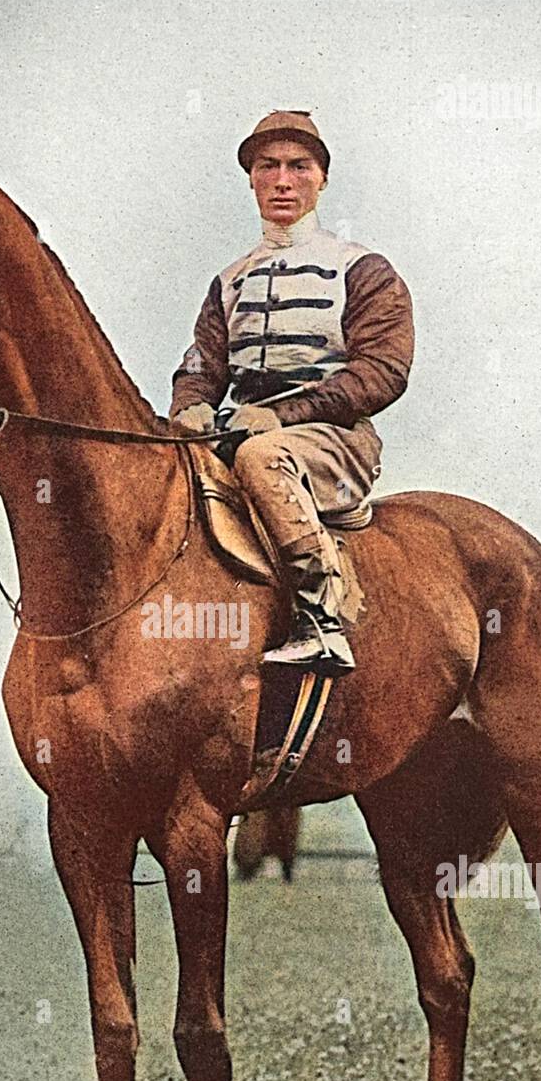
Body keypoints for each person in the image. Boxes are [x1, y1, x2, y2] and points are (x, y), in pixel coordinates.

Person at [170, 110, 415, 676]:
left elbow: (382, 371)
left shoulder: (361, 269)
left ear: (321, 179)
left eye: (298, 167)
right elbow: (201, 364)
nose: (283, 180)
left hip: (334, 441)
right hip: (240, 433)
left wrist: (281, 416)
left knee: (261, 456)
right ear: (251, 179)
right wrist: (191, 407)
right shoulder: (231, 280)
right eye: (268, 167)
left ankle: (322, 620)